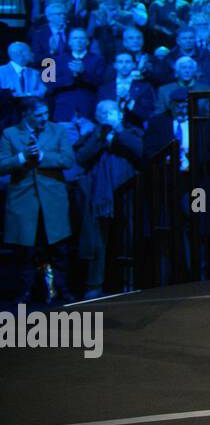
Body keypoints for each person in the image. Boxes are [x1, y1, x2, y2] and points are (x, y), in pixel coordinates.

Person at [0, 99, 74, 305]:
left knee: (59, 249)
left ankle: (62, 290)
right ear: (27, 115)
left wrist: (42, 156)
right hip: (24, 202)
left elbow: (68, 160)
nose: (45, 118)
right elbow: (2, 165)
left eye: (46, 113)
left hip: (53, 201)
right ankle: (24, 294)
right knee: (26, 252)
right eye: (40, 114)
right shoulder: (10, 134)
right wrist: (22, 157)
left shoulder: (57, 131)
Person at [74, 100, 143, 298]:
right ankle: (94, 284)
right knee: (97, 242)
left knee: (128, 239)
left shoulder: (132, 132)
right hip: (99, 200)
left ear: (120, 114)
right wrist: (99, 134)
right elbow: (81, 157)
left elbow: (140, 151)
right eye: (101, 114)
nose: (106, 117)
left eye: (110, 113)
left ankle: (129, 282)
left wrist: (118, 131)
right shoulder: (92, 135)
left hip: (127, 194)